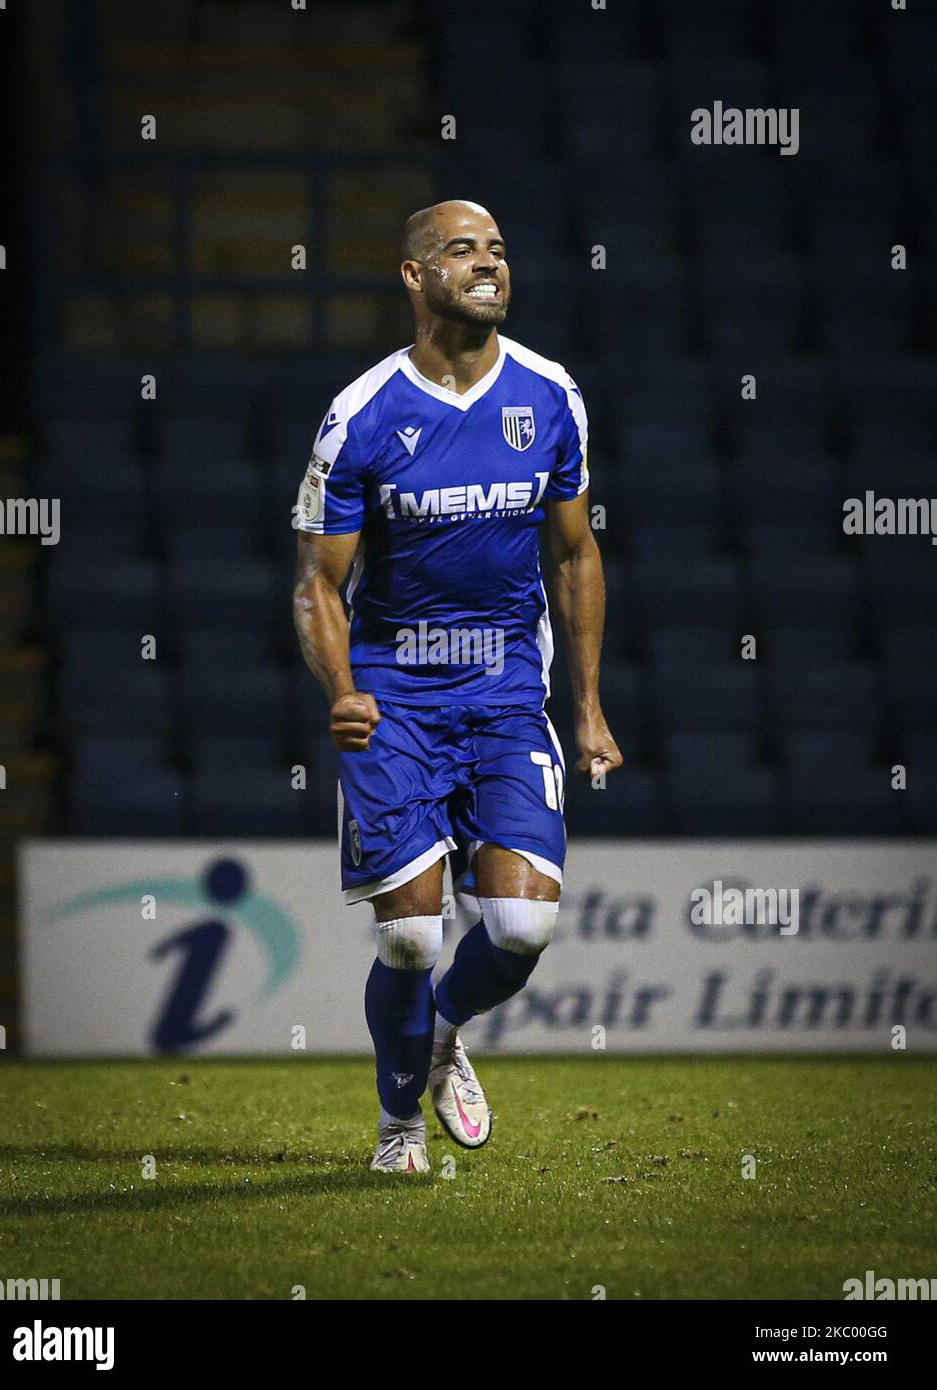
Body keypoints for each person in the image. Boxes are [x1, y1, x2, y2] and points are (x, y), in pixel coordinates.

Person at [293, 200, 622, 1171]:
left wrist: (589, 703)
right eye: (460, 250)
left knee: (520, 925)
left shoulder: (550, 395)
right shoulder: (361, 415)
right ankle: (398, 1127)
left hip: (505, 690)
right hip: (394, 700)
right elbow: (316, 582)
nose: (487, 263)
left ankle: (440, 1031)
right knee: (404, 938)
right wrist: (342, 687)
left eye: (497, 250)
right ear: (411, 276)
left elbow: (572, 554)